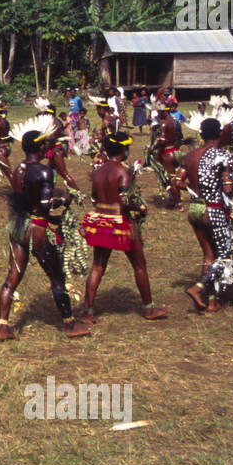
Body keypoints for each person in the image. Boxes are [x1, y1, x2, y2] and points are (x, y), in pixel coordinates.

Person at [0, 115, 92, 341]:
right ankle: (69, 324)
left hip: (17, 224)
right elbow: (47, 207)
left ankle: (2, 326)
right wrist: (65, 200)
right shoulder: (44, 172)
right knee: (56, 276)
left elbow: (23, 196)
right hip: (36, 227)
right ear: (40, 147)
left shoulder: (18, 169)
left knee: (13, 275)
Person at [80, 132, 167, 323]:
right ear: (123, 149)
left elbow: (94, 197)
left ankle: (88, 311)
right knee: (139, 264)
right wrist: (140, 206)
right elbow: (124, 201)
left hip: (101, 222)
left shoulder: (98, 171)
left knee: (98, 266)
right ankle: (149, 308)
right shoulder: (123, 171)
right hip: (120, 223)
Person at [173, 108, 233, 312]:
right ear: (219, 134)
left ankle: (212, 301)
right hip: (214, 208)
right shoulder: (222, 156)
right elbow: (228, 188)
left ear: (201, 134)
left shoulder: (190, 156)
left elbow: (176, 182)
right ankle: (200, 288)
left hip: (195, 209)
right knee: (224, 254)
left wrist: (194, 191)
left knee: (209, 256)